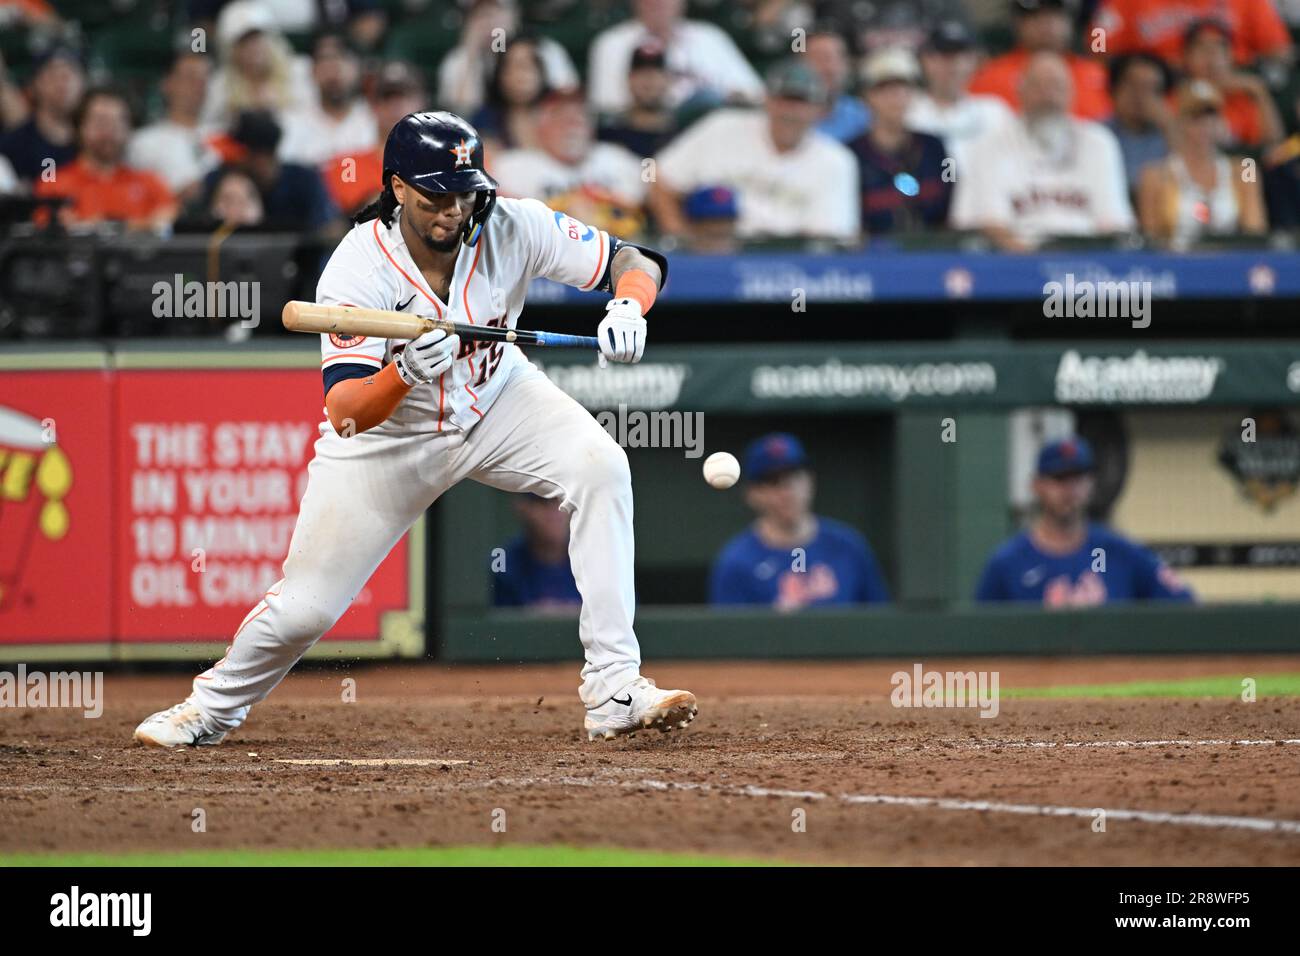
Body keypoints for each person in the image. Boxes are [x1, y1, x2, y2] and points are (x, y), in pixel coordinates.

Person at [133, 110, 696, 747]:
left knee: (601, 467)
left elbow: (635, 257)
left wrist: (628, 304)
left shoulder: (513, 223)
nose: (453, 210)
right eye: (436, 195)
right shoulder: (356, 270)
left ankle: (615, 688)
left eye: (464, 194)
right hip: (387, 437)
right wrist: (401, 372)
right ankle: (212, 707)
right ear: (397, 187)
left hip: (497, 398)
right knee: (307, 609)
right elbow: (345, 411)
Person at [649, 60, 860, 241]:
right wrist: (679, 238)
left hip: (789, 270)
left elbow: (829, 240)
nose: (790, 112)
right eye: (784, 100)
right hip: (715, 254)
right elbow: (657, 176)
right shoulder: (722, 127)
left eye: (801, 103)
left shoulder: (837, 160)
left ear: (819, 110)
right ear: (767, 100)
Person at [975, 437, 1195, 605]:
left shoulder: (1120, 552)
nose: (1070, 490)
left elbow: (1185, 604)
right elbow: (978, 640)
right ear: (1037, 485)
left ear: (1091, 484)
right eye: (1060, 479)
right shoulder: (1008, 563)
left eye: (1078, 479)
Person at [951, 52, 1133, 251]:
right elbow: (989, 222)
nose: (1047, 96)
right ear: (1020, 92)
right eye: (1037, 86)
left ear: (1071, 94)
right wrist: (1037, 267)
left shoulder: (1098, 142)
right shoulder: (989, 145)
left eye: (1056, 86)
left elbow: (1114, 223)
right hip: (1014, 264)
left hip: (1086, 265)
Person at [710, 433, 890, 609]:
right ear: (753, 494)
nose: (787, 491)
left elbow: (880, 623)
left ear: (810, 481)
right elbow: (730, 636)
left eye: (794, 477)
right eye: (773, 482)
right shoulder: (737, 561)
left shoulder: (848, 546)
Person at [490, 89, 648, 238]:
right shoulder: (513, 164)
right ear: (542, 126)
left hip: (619, 252)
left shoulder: (615, 157)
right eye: (563, 119)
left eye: (580, 118)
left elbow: (653, 169)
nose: (573, 126)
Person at [1137, 80, 1267, 247]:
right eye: (1195, 119)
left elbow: (1255, 233)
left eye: (1211, 117)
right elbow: (1151, 239)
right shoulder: (1154, 174)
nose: (1205, 126)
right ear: (1180, 122)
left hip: (1229, 262)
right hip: (1176, 262)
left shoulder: (1244, 169)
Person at [32, 87, 176, 230]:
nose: (109, 131)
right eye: (100, 122)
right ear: (79, 128)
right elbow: (46, 228)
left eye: (118, 122)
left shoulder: (150, 182)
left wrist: (94, 227)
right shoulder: (53, 181)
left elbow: (168, 218)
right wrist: (140, 225)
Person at [587, 0, 764, 115]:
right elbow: (606, 107)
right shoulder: (612, 43)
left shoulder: (709, 37)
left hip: (710, 131)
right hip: (648, 131)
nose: (657, 3)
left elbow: (754, 94)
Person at [848, 48, 952, 235]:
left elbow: (951, 208)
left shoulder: (934, 147)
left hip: (934, 251)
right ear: (866, 97)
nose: (896, 98)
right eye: (884, 90)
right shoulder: (851, 154)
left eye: (903, 88)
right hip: (871, 256)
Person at [969, 0, 1112, 121]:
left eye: (1054, 14)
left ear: (1070, 21)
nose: (1045, 23)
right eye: (1034, 15)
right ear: (1017, 23)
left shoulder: (1097, 75)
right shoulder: (990, 77)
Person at [202, 109, 339, 234]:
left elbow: (326, 229)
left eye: (267, 155)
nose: (260, 164)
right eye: (253, 156)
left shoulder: (304, 181)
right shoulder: (223, 181)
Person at [437, 0, 577, 117]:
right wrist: (470, 53)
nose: (490, 22)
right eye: (482, 15)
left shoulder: (545, 50)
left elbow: (567, 101)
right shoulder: (458, 59)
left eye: (496, 13)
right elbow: (461, 114)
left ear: (514, 15)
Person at [321, 61, 424, 217]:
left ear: (420, 103)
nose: (395, 106)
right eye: (387, 97)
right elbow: (362, 212)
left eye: (404, 96)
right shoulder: (348, 164)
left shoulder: (441, 161)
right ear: (373, 107)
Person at [198, 0, 315, 134]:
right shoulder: (220, 85)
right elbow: (208, 130)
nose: (253, 49)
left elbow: (316, 121)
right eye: (244, 43)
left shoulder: (300, 71)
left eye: (257, 39)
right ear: (232, 51)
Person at [906, 21, 1015, 166]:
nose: (952, 64)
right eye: (943, 55)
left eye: (960, 55)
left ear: (974, 61)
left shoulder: (994, 111)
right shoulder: (906, 111)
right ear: (925, 60)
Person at [1090, 0, 1292, 71]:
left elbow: (1280, 50)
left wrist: (1235, 68)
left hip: (1229, 88)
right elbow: (1096, 43)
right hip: (1163, 89)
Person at [127, 51, 220, 201]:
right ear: (167, 84)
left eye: (205, 78)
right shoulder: (142, 142)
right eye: (191, 77)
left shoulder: (223, 135)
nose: (200, 85)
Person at [1180, 18, 1284, 150]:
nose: (1211, 56)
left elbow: (1274, 146)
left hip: (1245, 167)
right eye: (1202, 48)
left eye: (1219, 48)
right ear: (1186, 58)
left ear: (1230, 57)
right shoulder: (1177, 99)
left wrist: (1259, 91)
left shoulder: (1240, 99)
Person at [278, 32, 376, 165]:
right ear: (312, 70)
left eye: (342, 57)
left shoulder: (376, 120)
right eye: (324, 60)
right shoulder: (290, 123)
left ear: (358, 68)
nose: (334, 68)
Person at [0, 46, 83, 183]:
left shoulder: (94, 141)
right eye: (54, 74)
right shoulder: (13, 144)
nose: (63, 82)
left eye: (70, 74)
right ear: (35, 84)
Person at [492, 495, 582, 608]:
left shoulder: (589, 559)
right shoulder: (505, 563)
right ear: (523, 507)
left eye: (562, 503)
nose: (555, 514)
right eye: (543, 503)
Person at [595, 40, 680, 159]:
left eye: (655, 75)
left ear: (668, 80)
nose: (648, 83)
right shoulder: (607, 134)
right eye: (641, 74)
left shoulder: (685, 132)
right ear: (629, 80)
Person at [1103, 53, 1173, 197]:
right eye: (1133, 85)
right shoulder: (1099, 134)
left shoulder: (1168, 134)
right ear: (1115, 89)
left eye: (1150, 89)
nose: (1140, 96)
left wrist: (1170, 128)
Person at [468, 34, 550, 154]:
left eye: (528, 65)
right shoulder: (484, 120)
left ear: (541, 71)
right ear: (499, 75)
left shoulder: (559, 115)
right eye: (511, 66)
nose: (520, 76)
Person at [806, 25, 870, 143]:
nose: (829, 67)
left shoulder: (863, 116)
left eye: (837, 58)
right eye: (819, 58)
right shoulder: (782, 114)